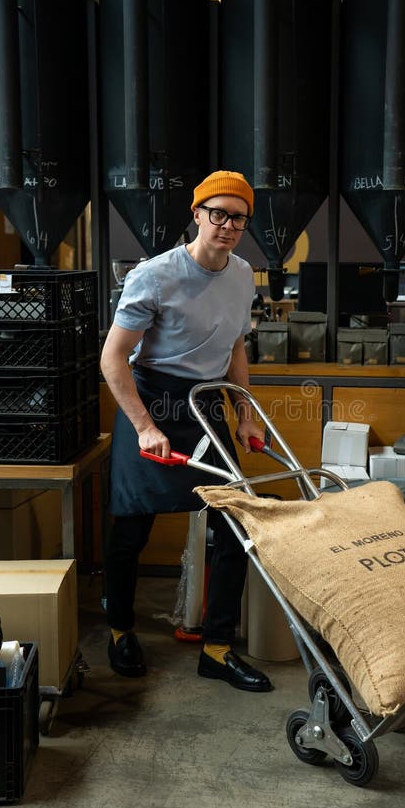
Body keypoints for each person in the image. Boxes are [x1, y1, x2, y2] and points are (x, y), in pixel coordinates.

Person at [100, 170, 272, 692]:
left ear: (245, 224)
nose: (226, 225)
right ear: (196, 215)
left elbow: (236, 346)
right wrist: (144, 427)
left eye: (236, 217)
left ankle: (217, 649)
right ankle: (119, 629)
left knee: (235, 527)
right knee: (131, 525)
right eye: (216, 213)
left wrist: (244, 411)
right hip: (149, 400)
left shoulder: (243, 275)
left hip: (205, 407)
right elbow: (112, 359)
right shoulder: (153, 276)